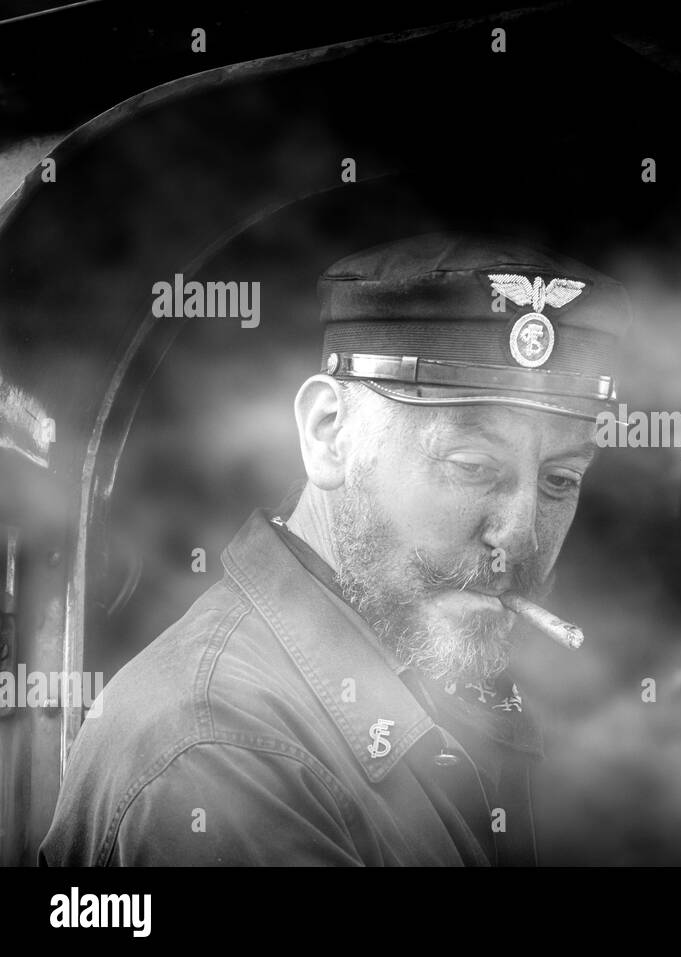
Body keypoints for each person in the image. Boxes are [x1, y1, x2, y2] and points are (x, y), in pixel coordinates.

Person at [40, 233, 632, 865]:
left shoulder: (427, 666)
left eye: (560, 481)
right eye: (470, 465)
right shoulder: (223, 755)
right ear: (329, 434)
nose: (520, 536)